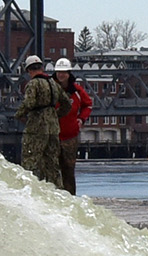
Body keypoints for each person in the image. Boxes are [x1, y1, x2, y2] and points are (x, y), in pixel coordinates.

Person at [18, 56, 66, 187]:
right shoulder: (53, 83)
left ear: (28, 70)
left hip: (36, 127)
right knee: (52, 163)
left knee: (30, 161)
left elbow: (29, 103)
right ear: (42, 67)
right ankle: (59, 194)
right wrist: (55, 115)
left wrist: (18, 115)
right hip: (53, 128)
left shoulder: (33, 84)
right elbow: (67, 103)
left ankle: (30, 191)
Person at [55, 59, 93, 194]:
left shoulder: (77, 90)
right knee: (52, 169)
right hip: (52, 136)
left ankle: (70, 197)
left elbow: (88, 104)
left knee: (69, 169)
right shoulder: (50, 88)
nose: (61, 75)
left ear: (68, 73)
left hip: (70, 136)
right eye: (59, 72)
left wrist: (81, 119)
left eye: (63, 72)